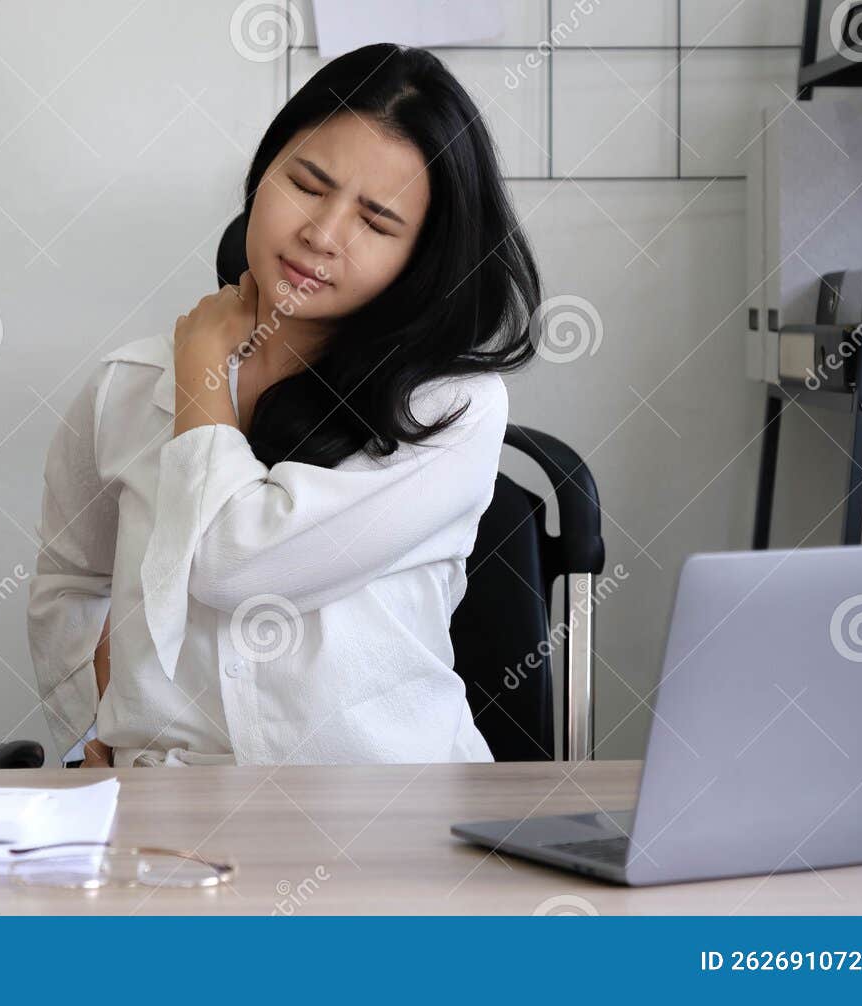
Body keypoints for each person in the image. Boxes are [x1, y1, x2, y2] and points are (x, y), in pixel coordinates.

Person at [27, 43, 542, 768]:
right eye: (307, 183)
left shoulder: (451, 409)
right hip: (169, 819)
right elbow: (70, 580)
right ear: (263, 172)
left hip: (392, 821)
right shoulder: (128, 384)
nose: (322, 235)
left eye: (377, 221)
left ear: (420, 257)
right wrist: (97, 733)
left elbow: (234, 566)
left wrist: (202, 370)